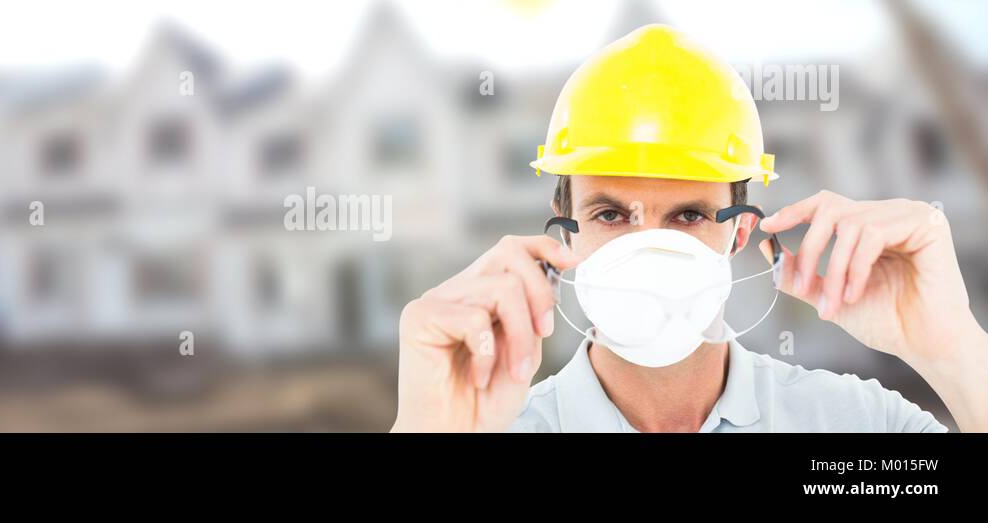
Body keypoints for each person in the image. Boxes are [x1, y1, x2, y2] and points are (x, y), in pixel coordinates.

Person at [391, 25, 988, 433]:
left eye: (689, 215)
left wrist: (955, 349)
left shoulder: (849, 426)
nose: (650, 246)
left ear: (739, 234)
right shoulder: (488, 427)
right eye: (610, 214)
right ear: (564, 232)